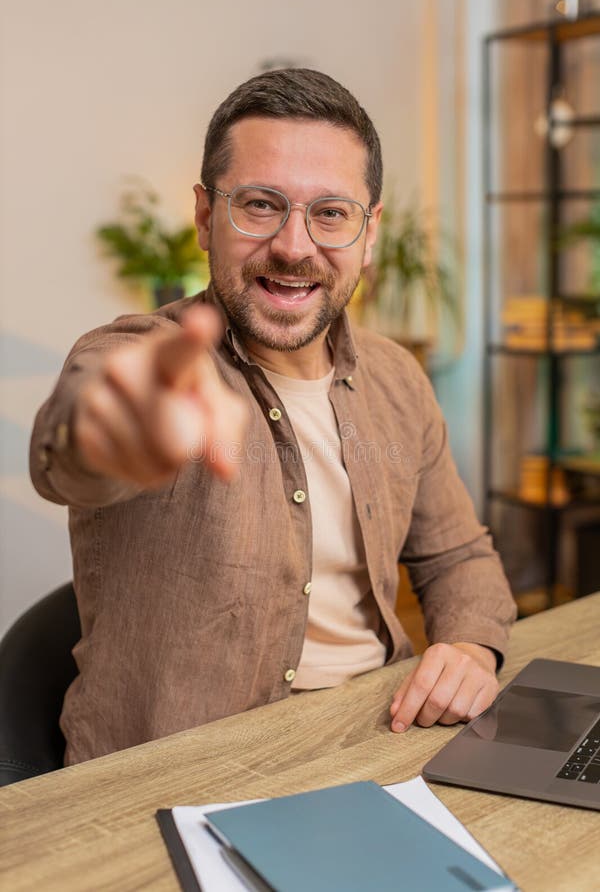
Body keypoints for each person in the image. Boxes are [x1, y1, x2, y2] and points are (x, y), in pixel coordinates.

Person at [30, 68, 516, 765]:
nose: (294, 246)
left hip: (382, 746)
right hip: (172, 784)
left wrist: (469, 647)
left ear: (370, 232)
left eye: (331, 212)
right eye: (260, 205)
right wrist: (110, 430)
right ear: (205, 216)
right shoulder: (136, 358)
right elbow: (76, 441)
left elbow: (458, 556)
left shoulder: (398, 379)